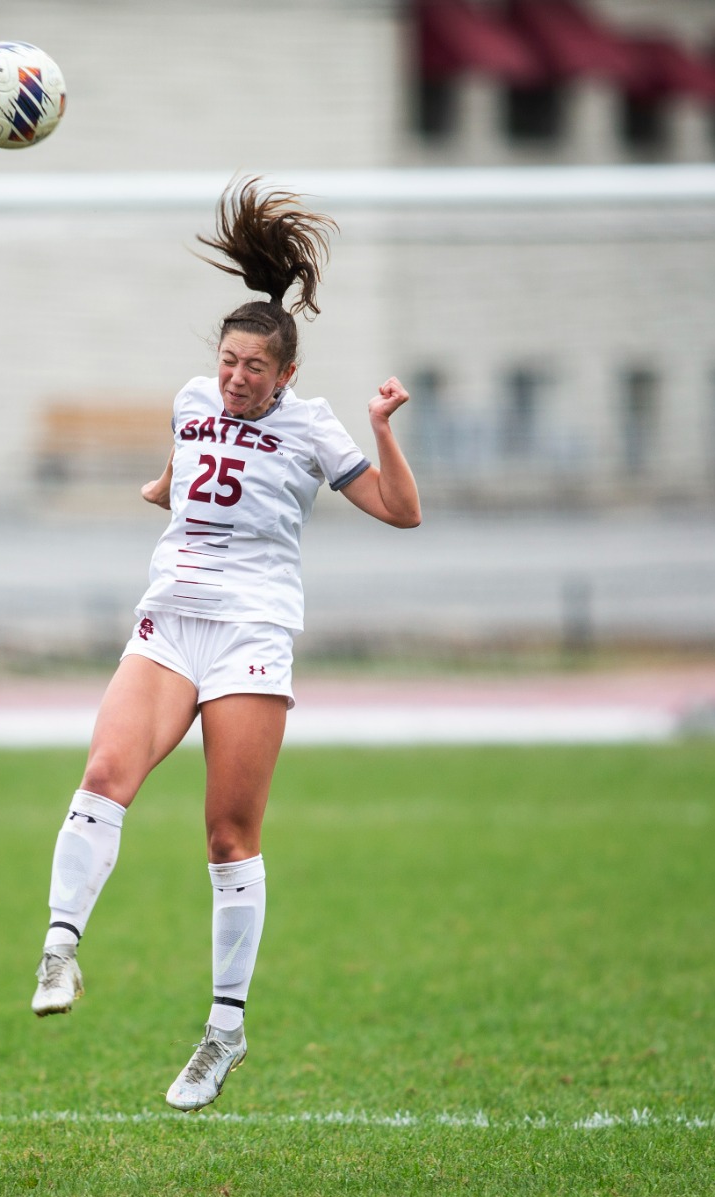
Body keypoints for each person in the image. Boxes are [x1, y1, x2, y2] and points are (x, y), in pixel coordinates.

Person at [27, 180, 422, 1111]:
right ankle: (59, 946)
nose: (239, 377)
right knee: (103, 776)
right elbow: (183, 469)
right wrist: (164, 488)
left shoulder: (314, 427)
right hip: (170, 615)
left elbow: (401, 512)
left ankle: (225, 1029)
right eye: (229, 360)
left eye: (256, 368)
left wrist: (379, 431)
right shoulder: (192, 399)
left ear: (284, 376)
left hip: (252, 630)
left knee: (226, 833)